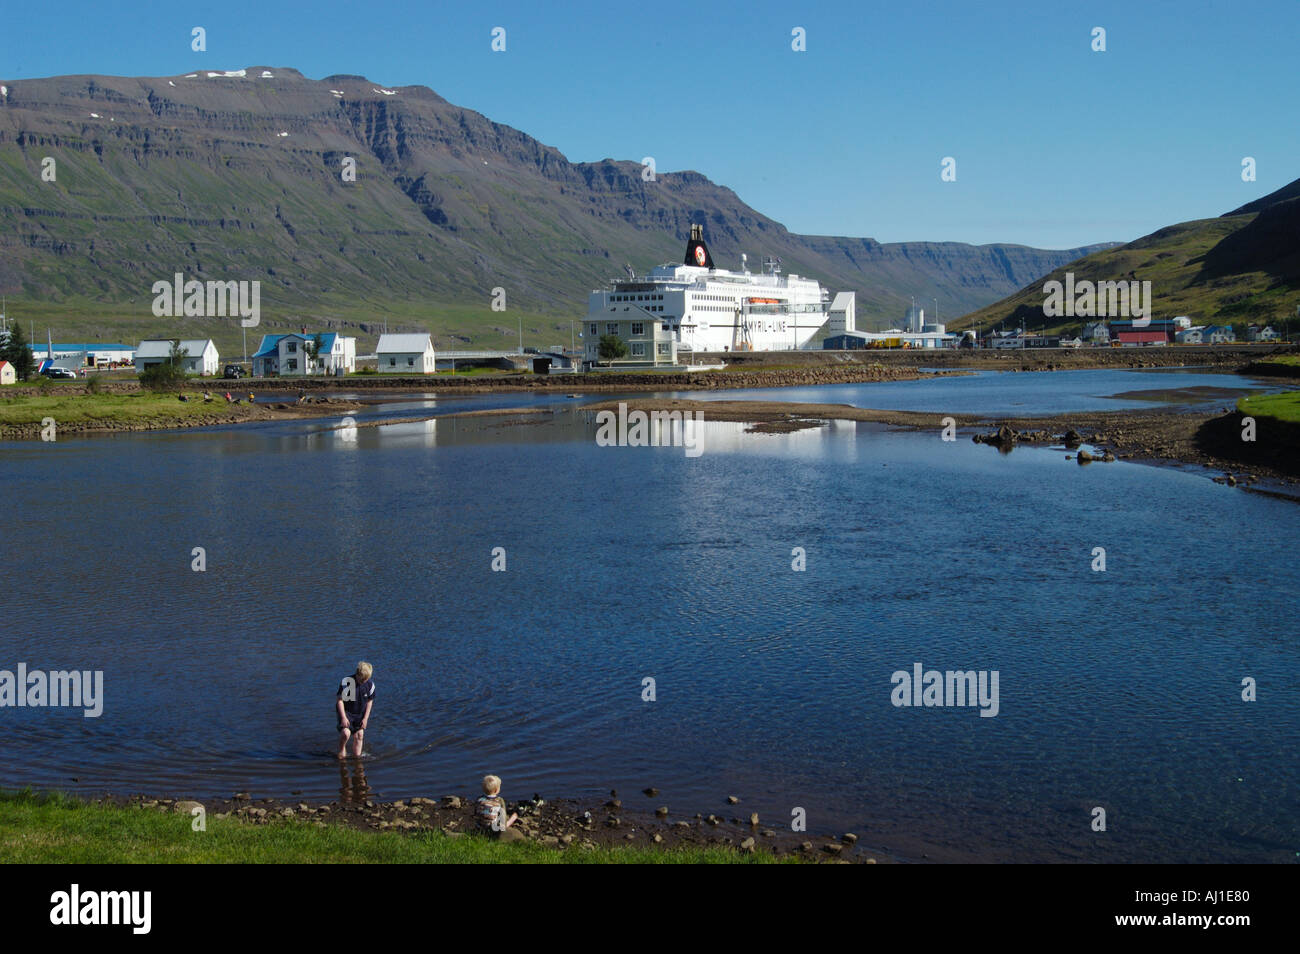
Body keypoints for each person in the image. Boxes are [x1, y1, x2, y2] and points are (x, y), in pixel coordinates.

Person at [335, 661, 375, 759]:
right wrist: (343, 717)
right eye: (361, 679)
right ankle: (341, 750)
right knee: (346, 733)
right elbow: (340, 700)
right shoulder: (348, 682)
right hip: (347, 712)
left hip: (360, 714)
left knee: (360, 735)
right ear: (357, 674)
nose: (364, 681)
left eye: (366, 679)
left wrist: (365, 718)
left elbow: (370, 701)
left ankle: (357, 758)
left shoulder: (370, 685)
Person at [476, 775, 522, 840]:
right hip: (493, 830)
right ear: (496, 790)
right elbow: (503, 818)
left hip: (479, 828)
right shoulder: (499, 801)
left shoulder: (479, 799)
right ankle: (513, 818)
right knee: (503, 814)